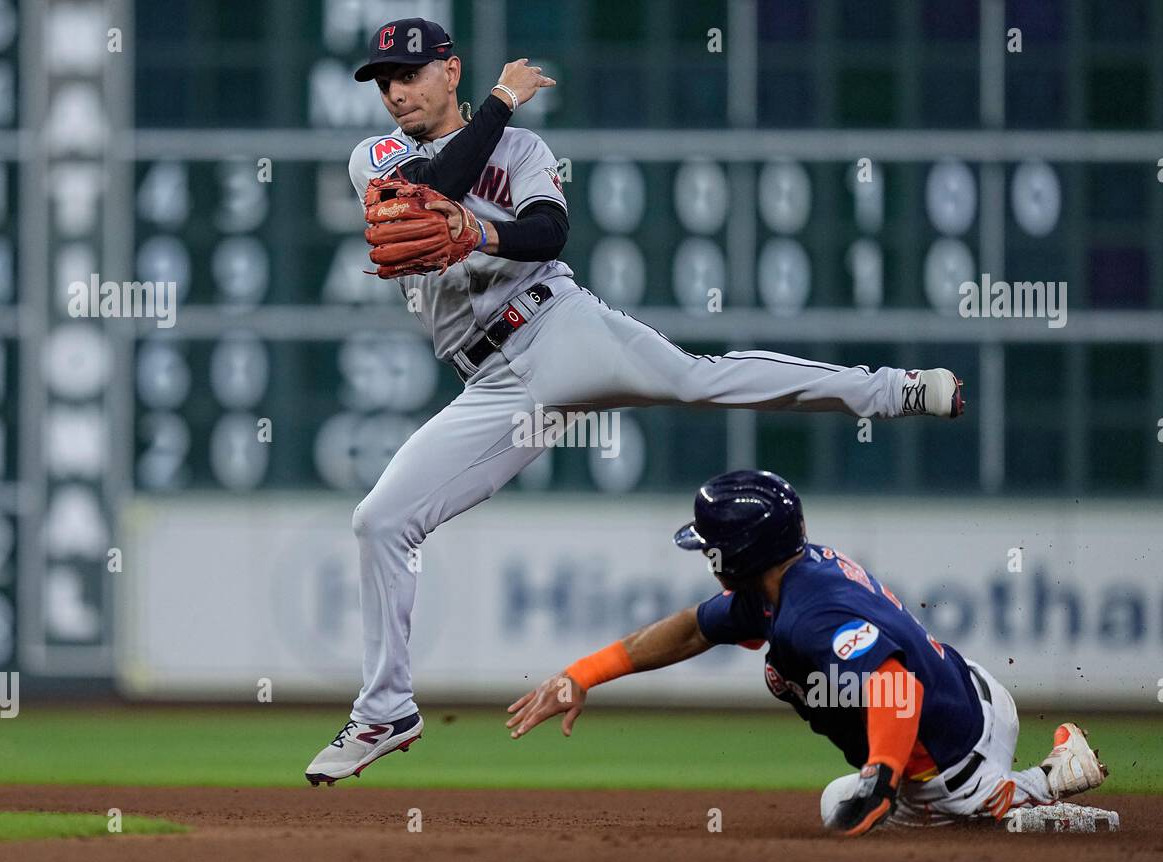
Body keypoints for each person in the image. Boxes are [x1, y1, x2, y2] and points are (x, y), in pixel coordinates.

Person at [305, 19, 964, 785]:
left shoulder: (521, 150)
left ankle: (893, 391)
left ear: (448, 72)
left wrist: (480, 231)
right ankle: (386, 710)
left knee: (701, 379)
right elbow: (429, 194)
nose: (393, 90)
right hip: (488, 385)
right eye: (382, 79)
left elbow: (549, 231)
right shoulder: (375, 157)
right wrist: (497, 106)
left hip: (557, 326)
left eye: (409, 73)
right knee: (381, 519)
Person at [506, 470, 1109, 834]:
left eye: (710, 545)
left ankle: (1034, 788)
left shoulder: (806, 616)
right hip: (972, 696)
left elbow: (896, 683)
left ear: (737, 554)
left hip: (949, 760)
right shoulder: (781, 581)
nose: (704, 554)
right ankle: (997, 785)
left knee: (869, 812)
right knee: (829, 796)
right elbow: (690, 630)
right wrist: (582, 675)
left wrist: (881, 780)